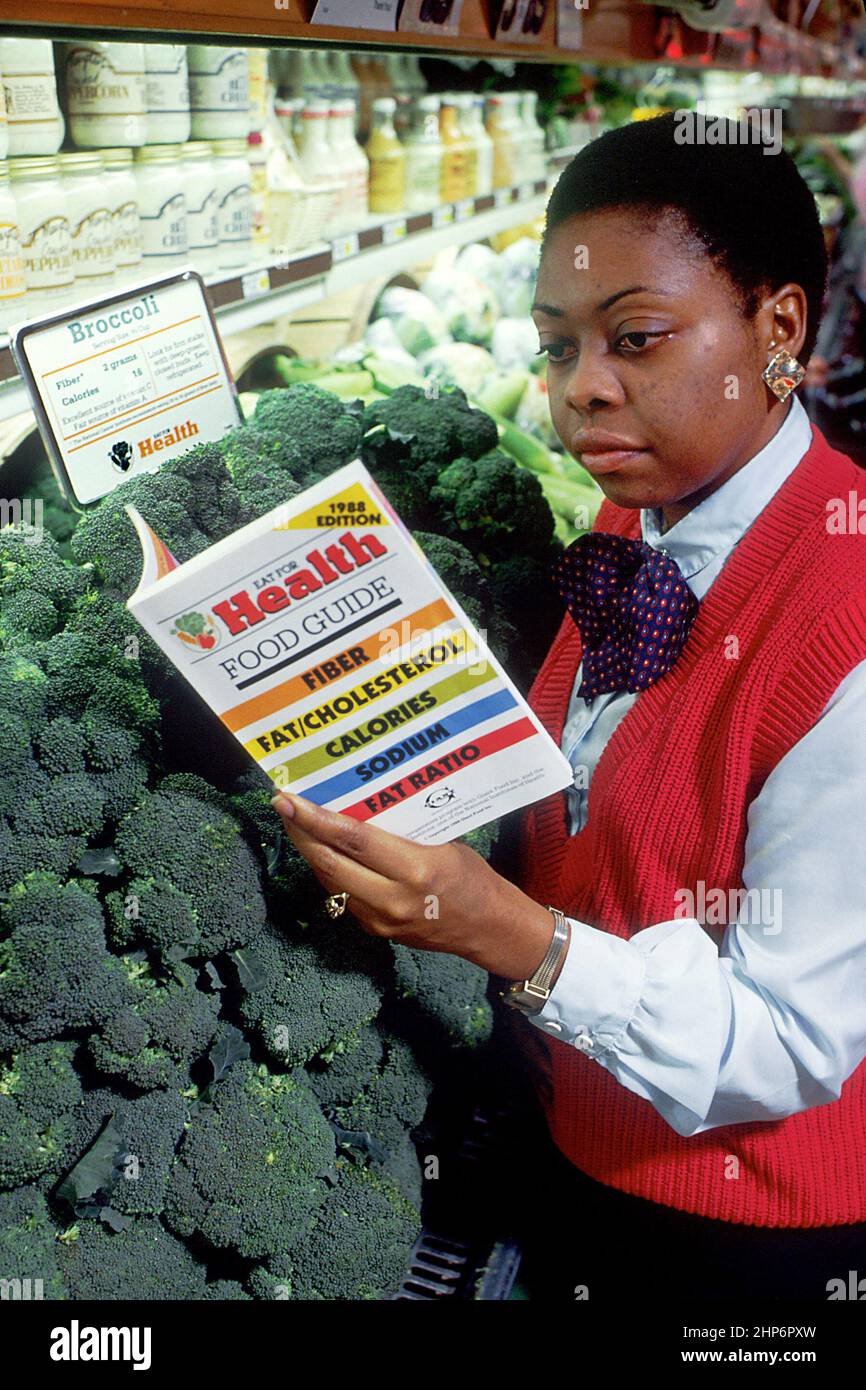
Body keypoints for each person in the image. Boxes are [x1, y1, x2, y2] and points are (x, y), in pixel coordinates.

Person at [272, 112, 866, 1302]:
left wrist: (502, 930)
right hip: (576, 1138)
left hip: (738, 1237)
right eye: (555, 348)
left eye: (634, 338)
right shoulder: (646, 502)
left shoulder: (842, 621)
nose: (582, 392)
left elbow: (788, 1042)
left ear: (779, 331)